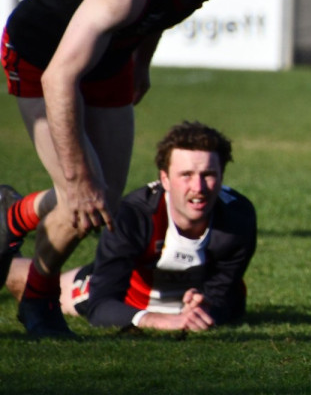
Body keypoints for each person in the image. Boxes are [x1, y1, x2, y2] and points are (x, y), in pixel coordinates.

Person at [0, 0, 249, 338]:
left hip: (112, 56)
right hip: (41, 57)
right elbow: (59, 76)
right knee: (81, 197)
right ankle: (37, 300)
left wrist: (142, 62)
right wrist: (76, 177)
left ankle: (18, 216)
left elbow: (164, 9)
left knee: (104, 203)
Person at [3, 121, 257, 333]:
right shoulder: (135, 215)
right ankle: (7, 231)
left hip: (178, 298)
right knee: (20, 280)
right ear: (165, 179)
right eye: (186, 175)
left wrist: (206, 303)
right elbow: (101, 306)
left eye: (208, 175)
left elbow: (224, 289)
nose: (198, 188)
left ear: (222, 176)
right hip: (127, 295)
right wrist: (156, 319)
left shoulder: (238, 218)